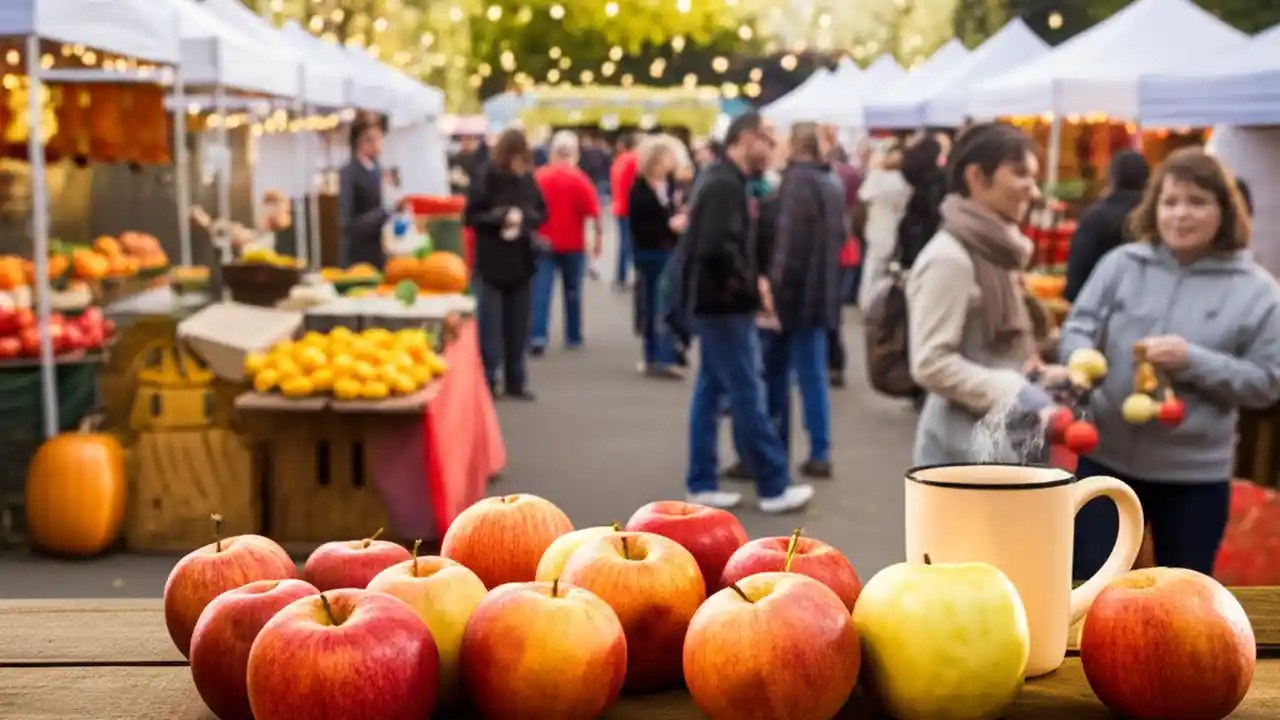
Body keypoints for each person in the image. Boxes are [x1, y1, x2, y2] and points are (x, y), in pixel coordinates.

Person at [1059, 148, 1280, 579]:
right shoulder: (1120, 265)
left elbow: (1267, 382)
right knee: (1087, 585)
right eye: (1170, 201)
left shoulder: (1258, 292)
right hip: (1106, 460)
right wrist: (1080, 358)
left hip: (1194, 477)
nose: (1181, 214)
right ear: (1153, 207)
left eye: (1197, 202)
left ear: (1225, 211)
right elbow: (1078, 326)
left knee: (1183, 596)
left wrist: (1192, 360)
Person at [679, 111, 815, 513]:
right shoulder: (724, 184)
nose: (772, 148)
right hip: (723, 305)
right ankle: (773, 483)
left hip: (716, 302)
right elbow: (716, 249)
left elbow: (717, 247)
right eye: (766, 139)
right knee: (746, 391)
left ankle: (702, 480)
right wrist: (749, 286)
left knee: (712, 391)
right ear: (743, 139)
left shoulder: (724, 179)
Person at [907, 122, 1055, 466]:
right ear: (977, 177)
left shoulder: (997, 251)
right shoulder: (950, 257)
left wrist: (1035, 373)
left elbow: (995, 352)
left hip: (1002, 445)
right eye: (1020, 175)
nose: (1032, 191)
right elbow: (930, 363)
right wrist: (1012, 390)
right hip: (960, 454)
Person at [764, 122, 847, 478]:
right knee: (812, 376)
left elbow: (789, 247)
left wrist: (774, 296)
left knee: (777, 376)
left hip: (794, 297)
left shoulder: (797, 182)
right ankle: (820, 449)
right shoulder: (831, 181)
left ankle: (776, 449)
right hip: (822, 292)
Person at [465, 129, 547, 400]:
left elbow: (541, 211)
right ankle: (490, 378)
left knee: (518, 327)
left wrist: (525, 218)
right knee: (490, 327)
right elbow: (471, 216)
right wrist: (499, 217)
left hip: (520, 261)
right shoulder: (486, 177)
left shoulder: (527, 180)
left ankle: (516, 380)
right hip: (492, 260)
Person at [529, 131, 602, 355]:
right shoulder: (580, 179)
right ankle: (573, 335)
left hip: (544, 242)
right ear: (575, 154)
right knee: (573, 292)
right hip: (574, 243)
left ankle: (537, 335)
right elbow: (593, 213)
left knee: (541, 290)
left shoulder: (538, 177)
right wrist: (596, 242)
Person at [628, 134, 688, 378]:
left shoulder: (668, 187)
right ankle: (658, 356)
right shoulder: (640, 190)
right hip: (650, 252)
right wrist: (669, 225)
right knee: (656, 304)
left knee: (664, 303)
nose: (670, 164)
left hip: (666, 249)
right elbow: (640, 225)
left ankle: (662, 354)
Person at [1064, 150, 1150, 302]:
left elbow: (1077, 278)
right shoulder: (1155, 218)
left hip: (1100, 308)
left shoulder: (1095, 217)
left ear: (1112, 178)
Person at [857, 140, 912, 308]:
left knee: (873, 268)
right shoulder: (905, 181)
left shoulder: (877, 177)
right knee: (890, 270)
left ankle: (868, 303)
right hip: (896, 227)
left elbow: (863, 196)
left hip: (876, 227)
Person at [338, 116, 392, 268]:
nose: (378, 144)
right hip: (358, 254)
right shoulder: (349, 172)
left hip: (377, 250)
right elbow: (347, 220)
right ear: (361, 141)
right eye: (372, 139)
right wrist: (385, 212)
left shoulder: (377, 169)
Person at [610, 133, 640, 290]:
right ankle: (631, 276)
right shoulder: (633, 160)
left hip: (618, 206)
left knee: (623, 243)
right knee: (629, 244)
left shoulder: (618, 161)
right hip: (629, 208)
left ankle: (621, 276)